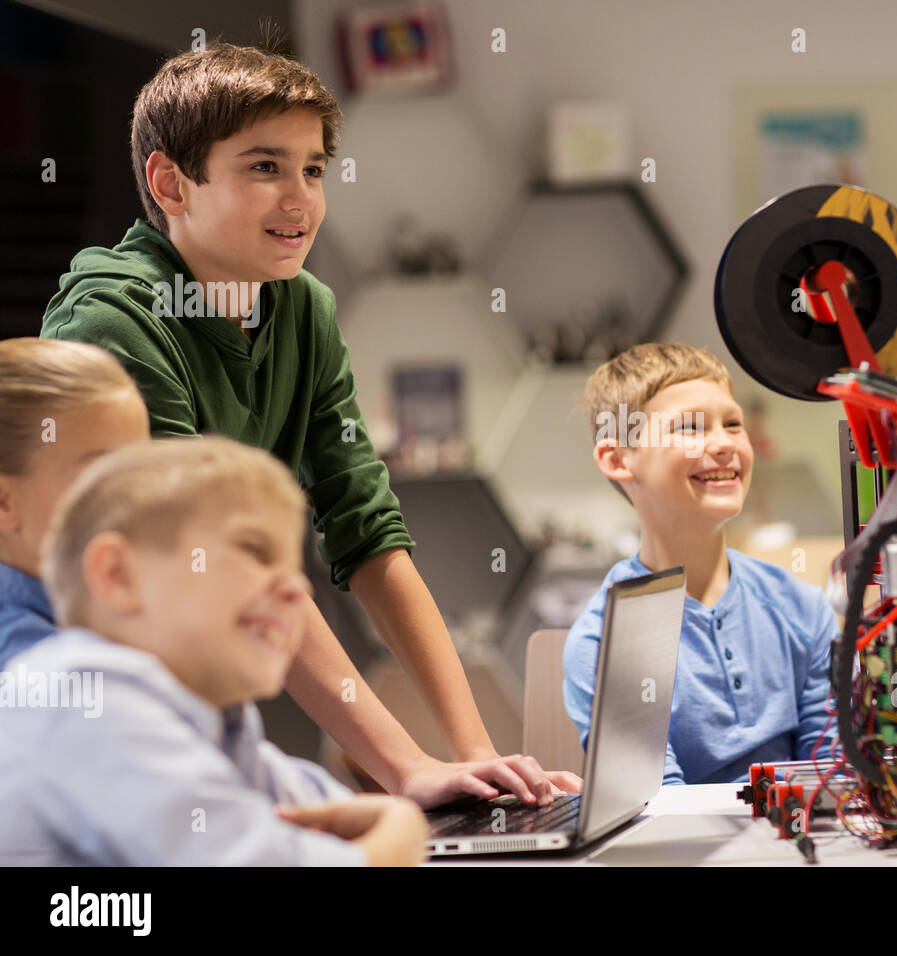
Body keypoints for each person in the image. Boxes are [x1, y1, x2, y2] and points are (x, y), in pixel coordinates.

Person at [40, 41, 578, 805]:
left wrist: (477, 755)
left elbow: (367, 533)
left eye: (314, 169)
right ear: (170, 182)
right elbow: (223, 559)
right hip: (75, 695)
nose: (301, 199)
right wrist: (406, 767)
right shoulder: (115, 319)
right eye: (265, 167)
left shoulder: (302, 308)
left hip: (190, 684)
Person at [0, 436, 427, 865]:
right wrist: (398, 836)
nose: (298, 588)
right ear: (118, 576)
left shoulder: (217, 721)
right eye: (254, 550)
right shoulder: (84, 697)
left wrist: (384, 827)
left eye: (294, 567)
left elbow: (328, 813)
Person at [563, 343, 839, 785]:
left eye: (733, 425)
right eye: (690, 428)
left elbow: (831, 777)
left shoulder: (802, 608)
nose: (724, 444)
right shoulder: (604, 643)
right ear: (617, 459)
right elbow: (659, 808)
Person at [0, 338, 151, 668]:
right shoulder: (36, 666)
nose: (136, 497)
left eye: (137, 469)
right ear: (4, 504)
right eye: (100, 475)